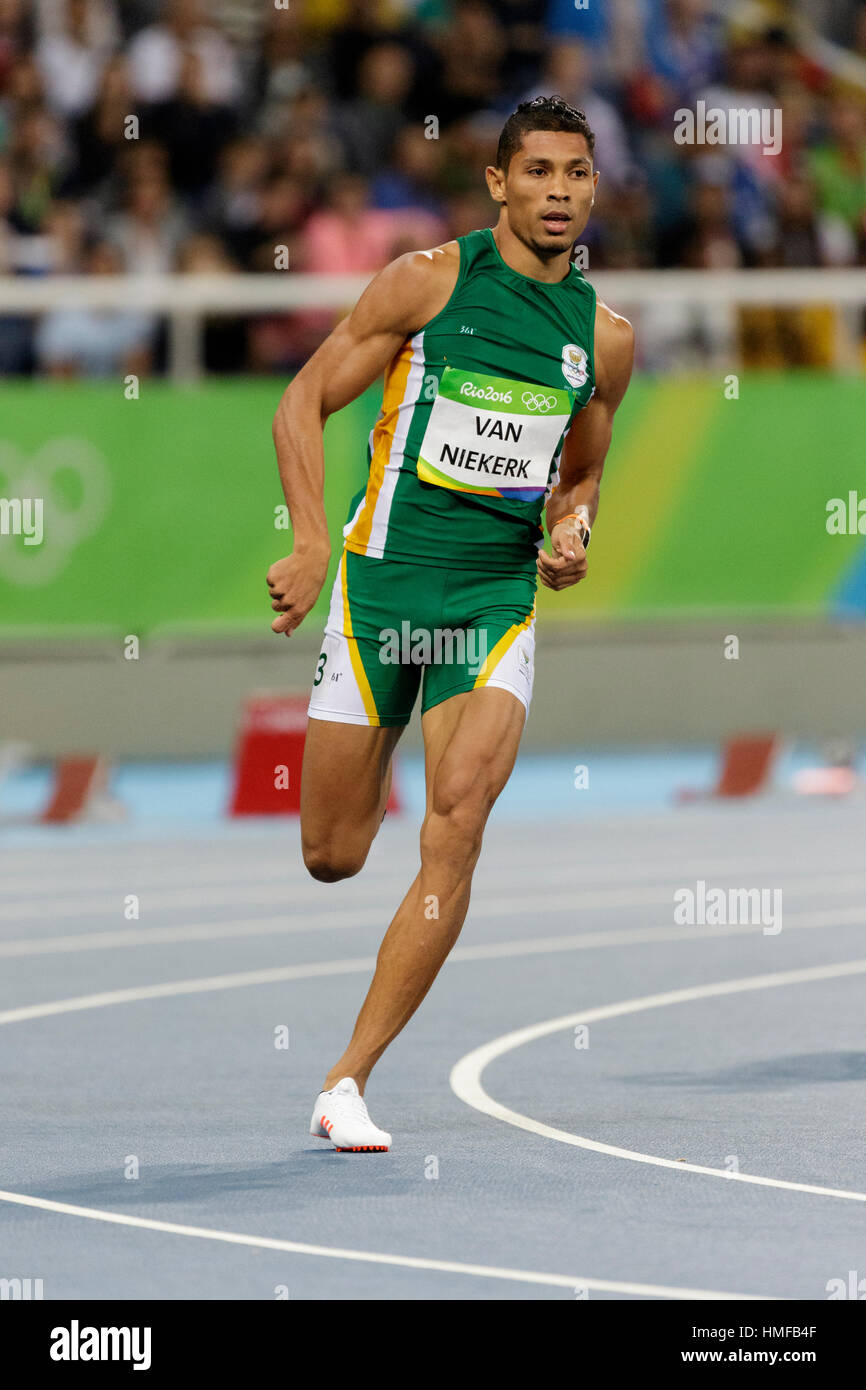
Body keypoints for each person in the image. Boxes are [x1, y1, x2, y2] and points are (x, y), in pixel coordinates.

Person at [267, 95, 634, 1152]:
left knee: (457, 823)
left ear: (593, 188)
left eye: (574, 173)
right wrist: (304, 541)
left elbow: (584, 472)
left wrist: (572, 534)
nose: (556, 192)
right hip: (380, 591)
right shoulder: (427, 282)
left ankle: (347, 1079)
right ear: (497, 184)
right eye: (537, 173)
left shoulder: (602, 342)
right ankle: (376, 747)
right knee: (332, 854)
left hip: (488, 605)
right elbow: (301, 400)